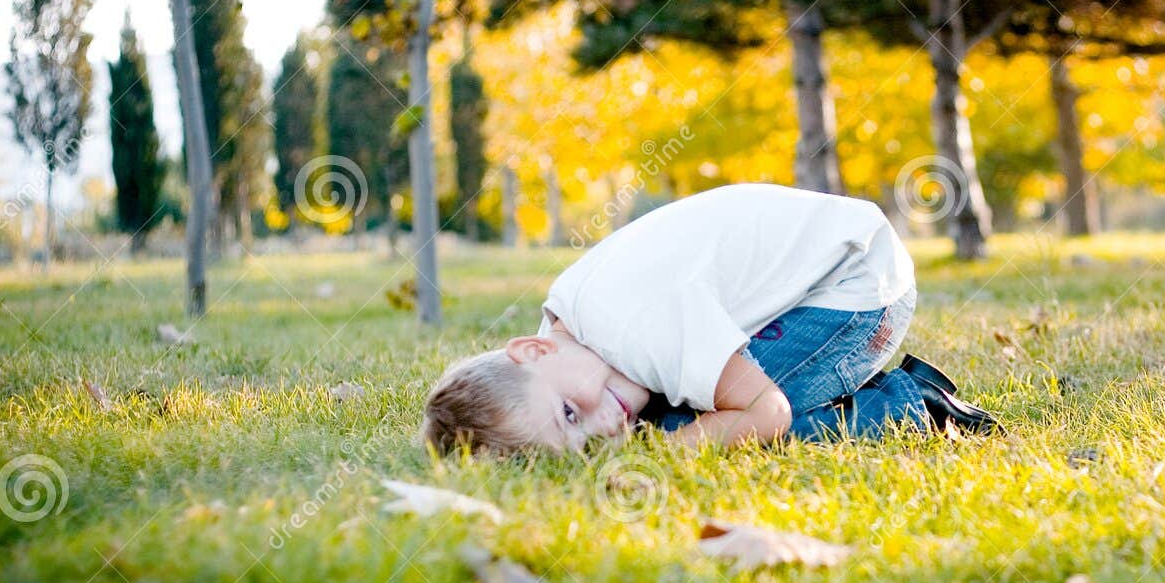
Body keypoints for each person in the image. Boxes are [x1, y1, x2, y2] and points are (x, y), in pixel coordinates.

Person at [421, 183, 997, 454]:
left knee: (676, 430)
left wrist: (672, 453)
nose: (601, 426)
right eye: (583, 442)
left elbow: (765, 412)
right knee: (664, 417)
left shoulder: (636, 325)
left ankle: (908, 404)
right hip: (833, 255)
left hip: (859, 289)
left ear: (534, 350)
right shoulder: (576, 319)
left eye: (570, 411)